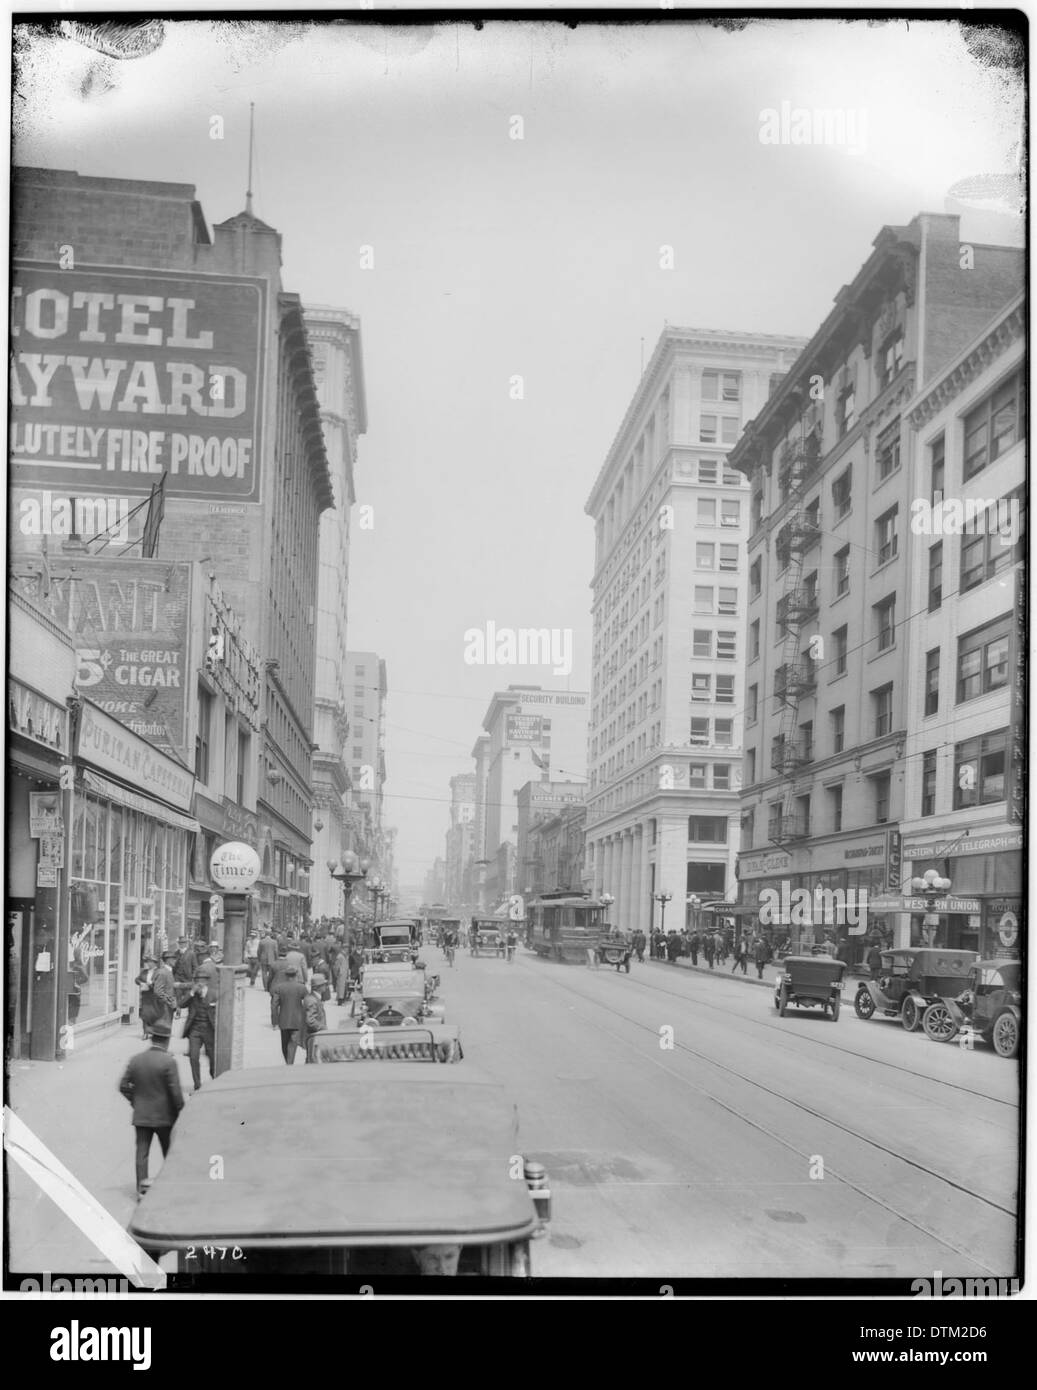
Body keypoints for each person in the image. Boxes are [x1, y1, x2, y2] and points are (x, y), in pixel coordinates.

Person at [118, 1020, 184, 1197]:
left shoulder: (136, 1060)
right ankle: (171, 1187)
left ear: (153, 1038)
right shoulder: (168, 1062)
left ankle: (142, 1190)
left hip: (142, 1115)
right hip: (165, 1117)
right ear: (167, 1040)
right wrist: (180, 1113)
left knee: (142, 1153)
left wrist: (136, 1101)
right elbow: (176, 1094)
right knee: (169, 1152)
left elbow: (123, 1086)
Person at [182, 970, 217, 1092]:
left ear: (207, 981)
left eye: (202, 980)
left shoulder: (214, 994)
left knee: (212, 1057)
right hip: (195, 1030)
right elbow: (181, 1004)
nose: (199, 983)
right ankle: (197, 1084)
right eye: (197, 980)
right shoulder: (192, 994)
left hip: (209, 1029)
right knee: (193, 1056)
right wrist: (191, 992)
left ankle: (214, 1076)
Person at [271, 965, 308, 1065]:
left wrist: (275, 1022)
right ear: (296, 975)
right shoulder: (302, 987)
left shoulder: (279, 988)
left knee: (285, 1044)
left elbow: (274, 1006)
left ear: (286, 975)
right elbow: (308, 1002)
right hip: (297, 1020)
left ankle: (289, 1063)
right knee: (292, 1043)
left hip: (283, 1021)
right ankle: (289, 1064)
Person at [301, 975, 328, 1061]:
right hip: (313, 1035)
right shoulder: (312, 1000)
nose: (326, 987)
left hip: (315, 1035)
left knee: (313, 1058)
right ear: (318, 987)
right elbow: (310, 1020)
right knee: (312, 1059)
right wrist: (322, 1027)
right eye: (324, 985)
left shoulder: (314, 998)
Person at [134, 954, 162, 1039]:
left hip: (155, 996)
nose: (148, 964)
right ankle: (145, 1032)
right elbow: (136, 979)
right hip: (146, 997)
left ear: (155, 963)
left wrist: (151, 984)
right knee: (145, 1015)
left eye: (150, 962)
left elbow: (161, 983)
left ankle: (154, 1032)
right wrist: (141, 983)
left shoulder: (159, 972)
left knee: (155, 1015)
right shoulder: (144, 972)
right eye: (148, 962)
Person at [153, 951, 179, 1028]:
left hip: (167, 1006)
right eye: (174, 959)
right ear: (168, 960)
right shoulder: (163, 972)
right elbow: (158, 991)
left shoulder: (169, 971)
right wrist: (170, 1001)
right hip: (164, 1007)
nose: (175, 961)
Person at [258, 924, 278, 991]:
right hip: (272, 959)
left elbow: (259, 951)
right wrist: (276, 959)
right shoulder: (274, 942)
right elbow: (275, 951)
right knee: (271, 973)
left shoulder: (261, 941)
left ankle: (265, 987)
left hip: (263, 959)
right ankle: (269, 986)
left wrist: (259, 958)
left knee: (264, 973)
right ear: (270, 934)